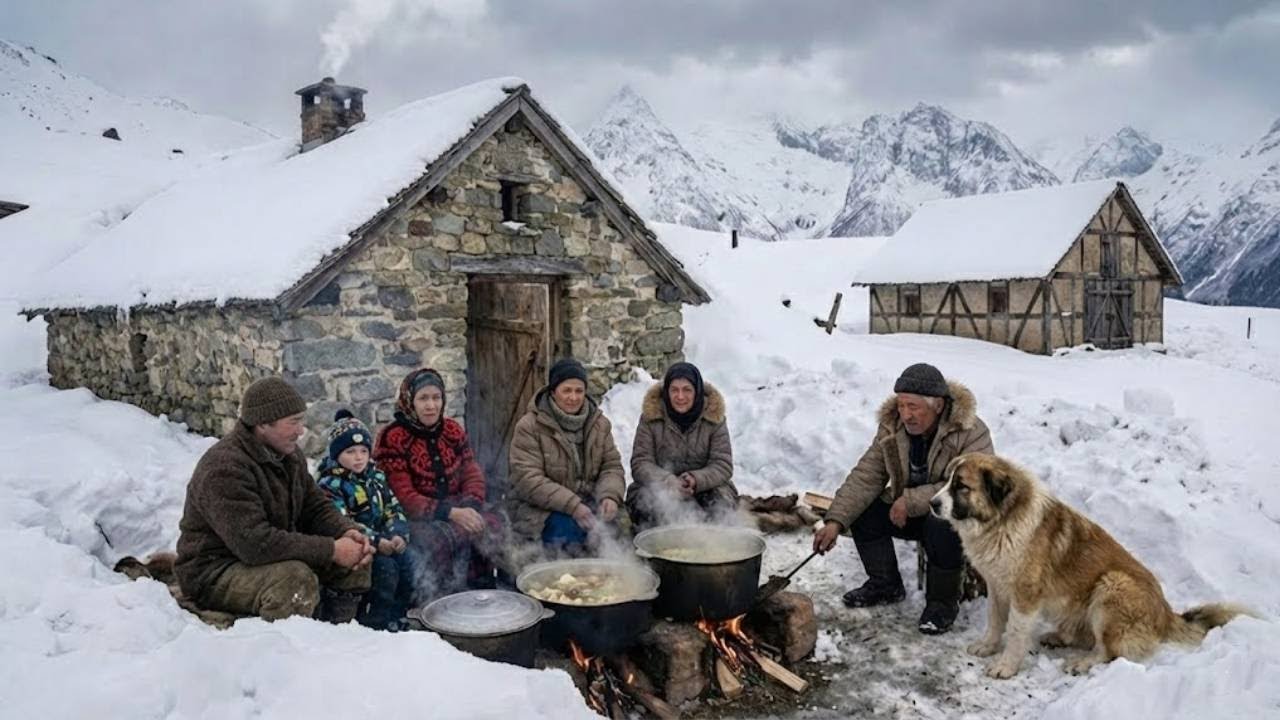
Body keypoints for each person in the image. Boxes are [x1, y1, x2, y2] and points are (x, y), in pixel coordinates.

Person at [812, 363, 994, 635]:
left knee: (941, 524)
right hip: (907, 513)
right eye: (901, 405)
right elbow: (867, 475)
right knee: (865, 512)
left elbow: (972, 484)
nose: (906, 415)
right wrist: (836, 521)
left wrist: (911, 500)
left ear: (938, 406)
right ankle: (885, 584)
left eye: (913, 407)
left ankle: (942, 604)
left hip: (956, 512)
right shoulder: (892, 428)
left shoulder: (970, 431)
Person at [175, 377, 373, 622]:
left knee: (356, 561)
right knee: (294, 580)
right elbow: (254, 544)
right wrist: (331, 549)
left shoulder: (288, 456)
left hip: (268, 555)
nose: (302, 431)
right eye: (294, 422)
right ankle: (282, 650)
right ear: (263, 425)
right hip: (214, 571)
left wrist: (347, 531)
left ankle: (337, 636)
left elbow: (314, 506)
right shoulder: (224, 468)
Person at [374, 368, 503, 602]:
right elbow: (402, 495)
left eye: (436, 397)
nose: (431, 405)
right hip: (414, 518)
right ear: (409, 401)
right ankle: (436, 600)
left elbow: (471, 470)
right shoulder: (392, 437)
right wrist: (451, 513)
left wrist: (471, 505)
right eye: (423, 398)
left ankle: (482, 592)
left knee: (493, 522)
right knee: (440, 540)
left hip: (459, 506)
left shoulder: (452, 430)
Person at [507, 358, 626, 556]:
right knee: (569, 533)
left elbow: (611, 466)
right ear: (553, 392)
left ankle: (605, 581)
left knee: (617, 529)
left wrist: (609, 496)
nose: (573, 397)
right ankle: (565, 581)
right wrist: (573, 505)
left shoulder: (599, 424)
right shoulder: (530, 426)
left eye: (579, 391)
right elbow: (528, 479)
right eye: (567, 390)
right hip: (539, 509)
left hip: (586, 503)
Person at [316, 409, 412, 630]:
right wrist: (378, 542)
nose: (358, 457)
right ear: (336, 454)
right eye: (350, 451)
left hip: (385, 540)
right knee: (385, 572)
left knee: (408, 564)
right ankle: (375, 623)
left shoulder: (375, 478)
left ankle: (398, 615)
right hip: (360, 546)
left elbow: (392, 507)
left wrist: (397, 532)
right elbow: (343, 523)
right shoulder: (331, 485)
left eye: (363, 451)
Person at [627, 362, 736, 529]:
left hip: (703, 488)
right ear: (666, 393)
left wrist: (695, 479)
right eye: (674, 390)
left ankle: (712, 550)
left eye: (687, 390)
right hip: (661, 488)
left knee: (719, 509)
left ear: (697, 392)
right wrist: (668, 481)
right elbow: (641, 462)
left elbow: (723, 464)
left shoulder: (713, 417)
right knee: (645, 508)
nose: (680, 396)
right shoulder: (651, 416)